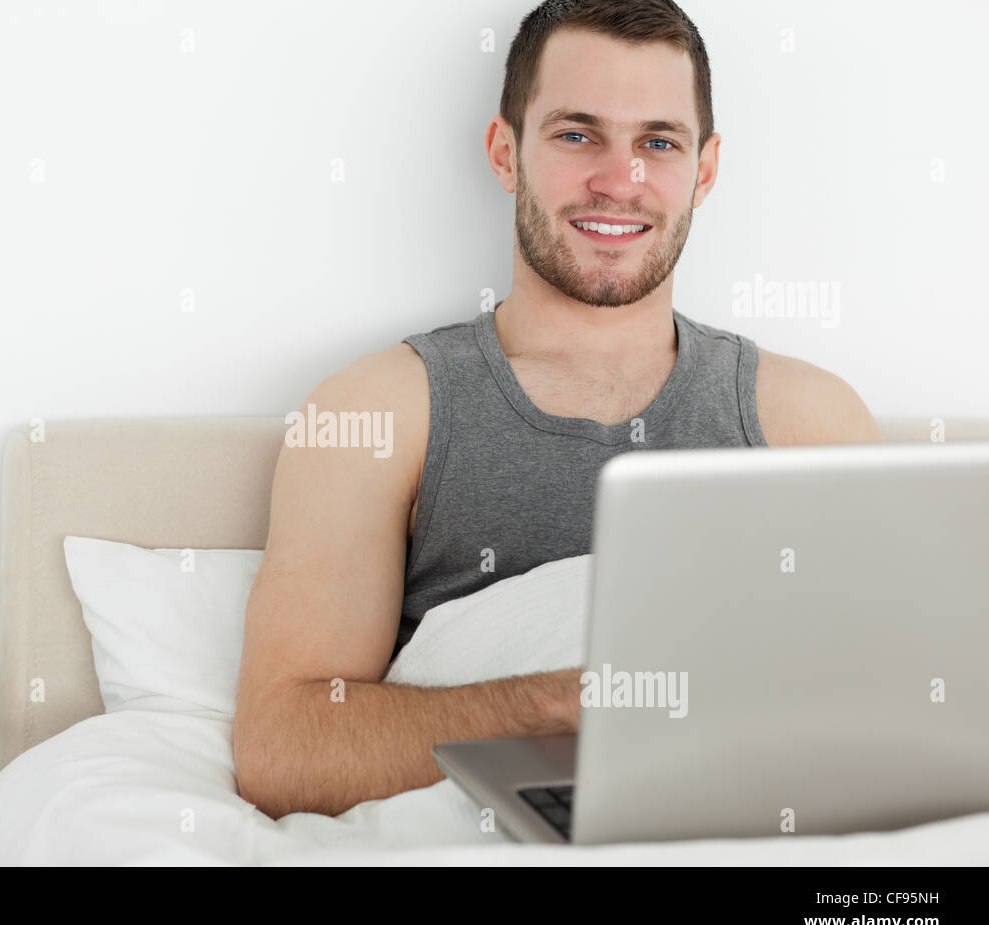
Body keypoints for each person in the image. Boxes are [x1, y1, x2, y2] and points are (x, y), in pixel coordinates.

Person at [233, 0, 881, 820]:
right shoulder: (380, 412)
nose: (621, 180)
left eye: (659, 142)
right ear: (506, 153)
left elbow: (894, 714)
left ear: (705, 171)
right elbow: (281, 748)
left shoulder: (807, 422)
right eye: (577, 135)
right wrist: (560, 711)